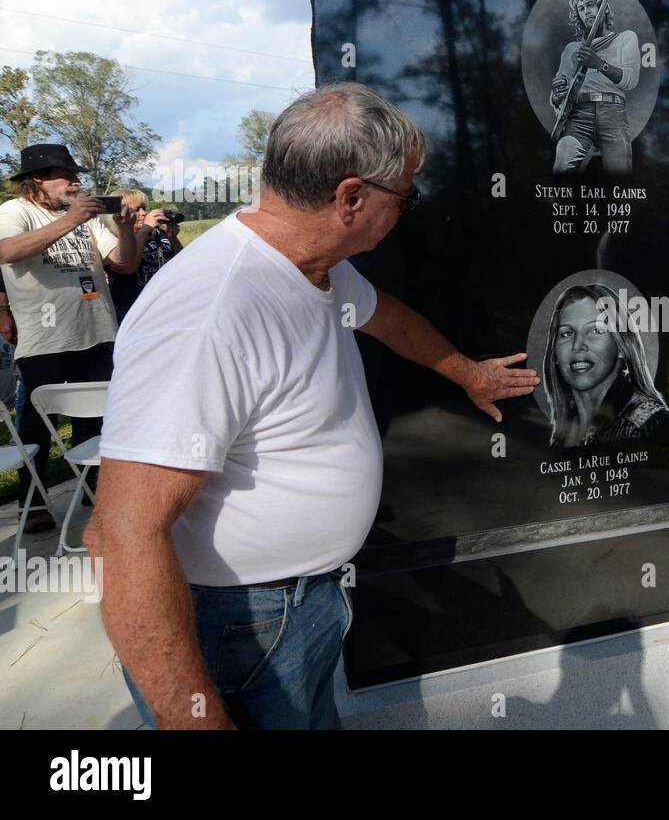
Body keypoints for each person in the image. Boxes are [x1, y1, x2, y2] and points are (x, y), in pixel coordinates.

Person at [84, 83, 540, 730]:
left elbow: (384, 316)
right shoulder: (213, 311)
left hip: (299, 608)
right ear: (351, 197)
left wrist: (468, 373)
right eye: (406, 197)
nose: (408, 210)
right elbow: (120, 535)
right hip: (236, 624)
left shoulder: (314, 265)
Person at [0, 143, 145, 530]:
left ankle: (96, 490)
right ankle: (31, 503)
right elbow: (7, 251)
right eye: (66, 174)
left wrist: (129, 232)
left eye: (76, 174)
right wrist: (71, 220)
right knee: (36, 428)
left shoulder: (85, 217)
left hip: (97, 332)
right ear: (37, 180)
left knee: (102, 419)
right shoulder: (15, 212)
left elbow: (125, 264)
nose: (76, 181)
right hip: (46, 339)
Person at [541, 283, 669, 447]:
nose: (577, 345)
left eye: (596, 330)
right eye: (567, 333)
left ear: (621, 346)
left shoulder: (649, 425)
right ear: (554, 353)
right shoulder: (565, 429)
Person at [550, 0, 641, 176]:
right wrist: (557, 94)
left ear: (604, 7)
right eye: (581, 9)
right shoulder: (573, 49)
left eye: (590, 5)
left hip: (613, 113)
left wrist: (599, 64)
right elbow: (558, 98)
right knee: (562, 166)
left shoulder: (626, 38)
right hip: (579, 115)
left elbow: (631, 79)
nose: (586, 12)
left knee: (620, 177)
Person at [106, 189, 173, 323]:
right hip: (133, 310)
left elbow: (177, 258)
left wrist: (172, 237)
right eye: (136, 210)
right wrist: (144, 230)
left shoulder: (157, 234)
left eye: (144, 208)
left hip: (164, 305)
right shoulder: (112, 240)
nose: (143, 213)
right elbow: (129, 266)